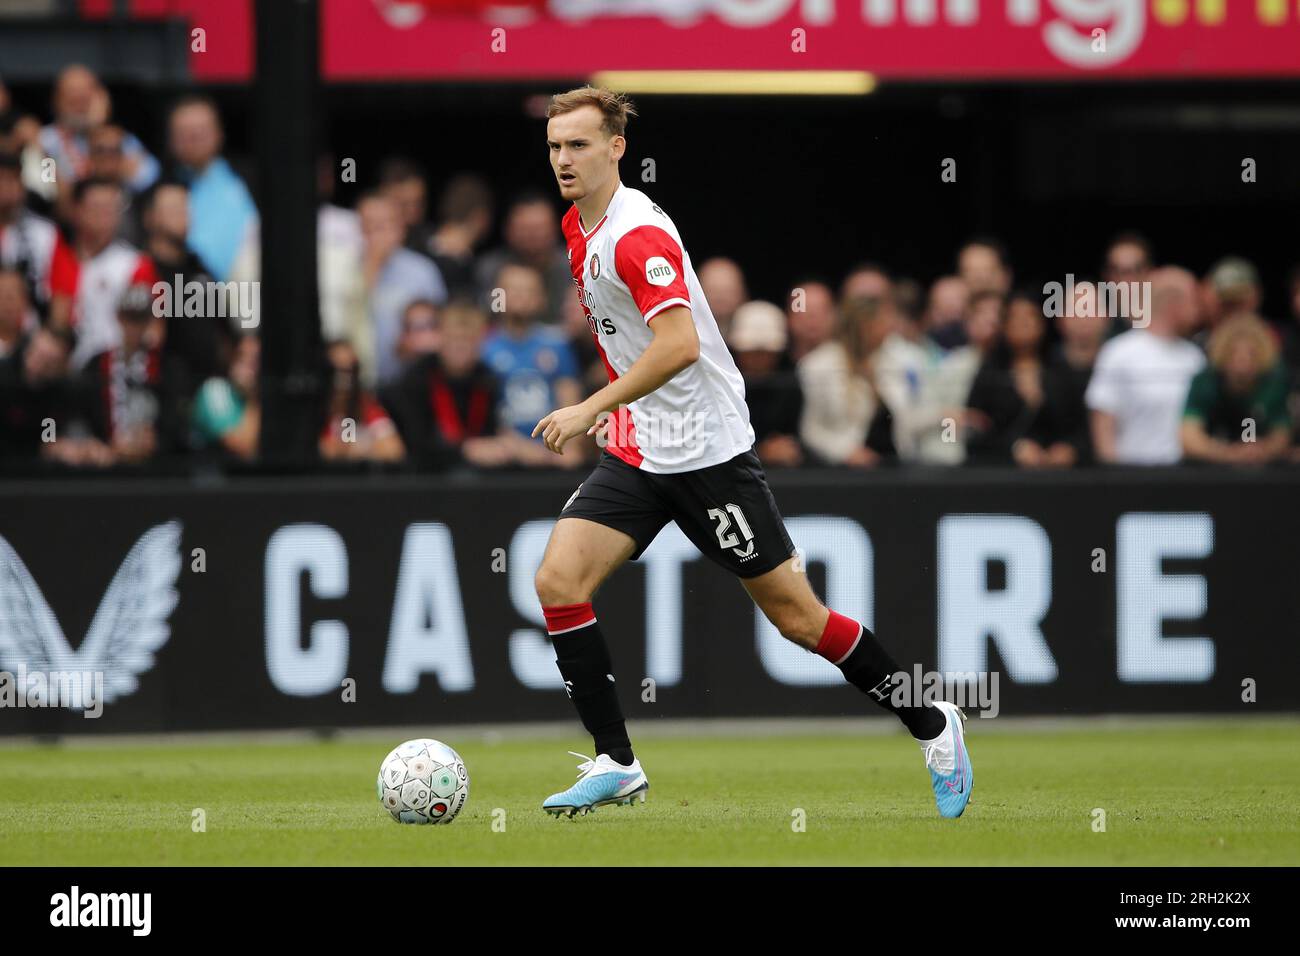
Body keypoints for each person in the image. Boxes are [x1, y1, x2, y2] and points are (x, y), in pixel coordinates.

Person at [528, 87, 971, 819]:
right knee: (557, 581)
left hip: (708, 454)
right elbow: (630, 340)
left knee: (799, 621)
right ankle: (617, 761)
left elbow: (679, 344)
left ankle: (933, 723)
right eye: (553, 147)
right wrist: (620, 409)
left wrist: (590, 407)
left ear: (616, 148)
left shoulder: (637, 236)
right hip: (643, 450)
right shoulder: (578, 227)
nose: (563, 160)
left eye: (577, 145)